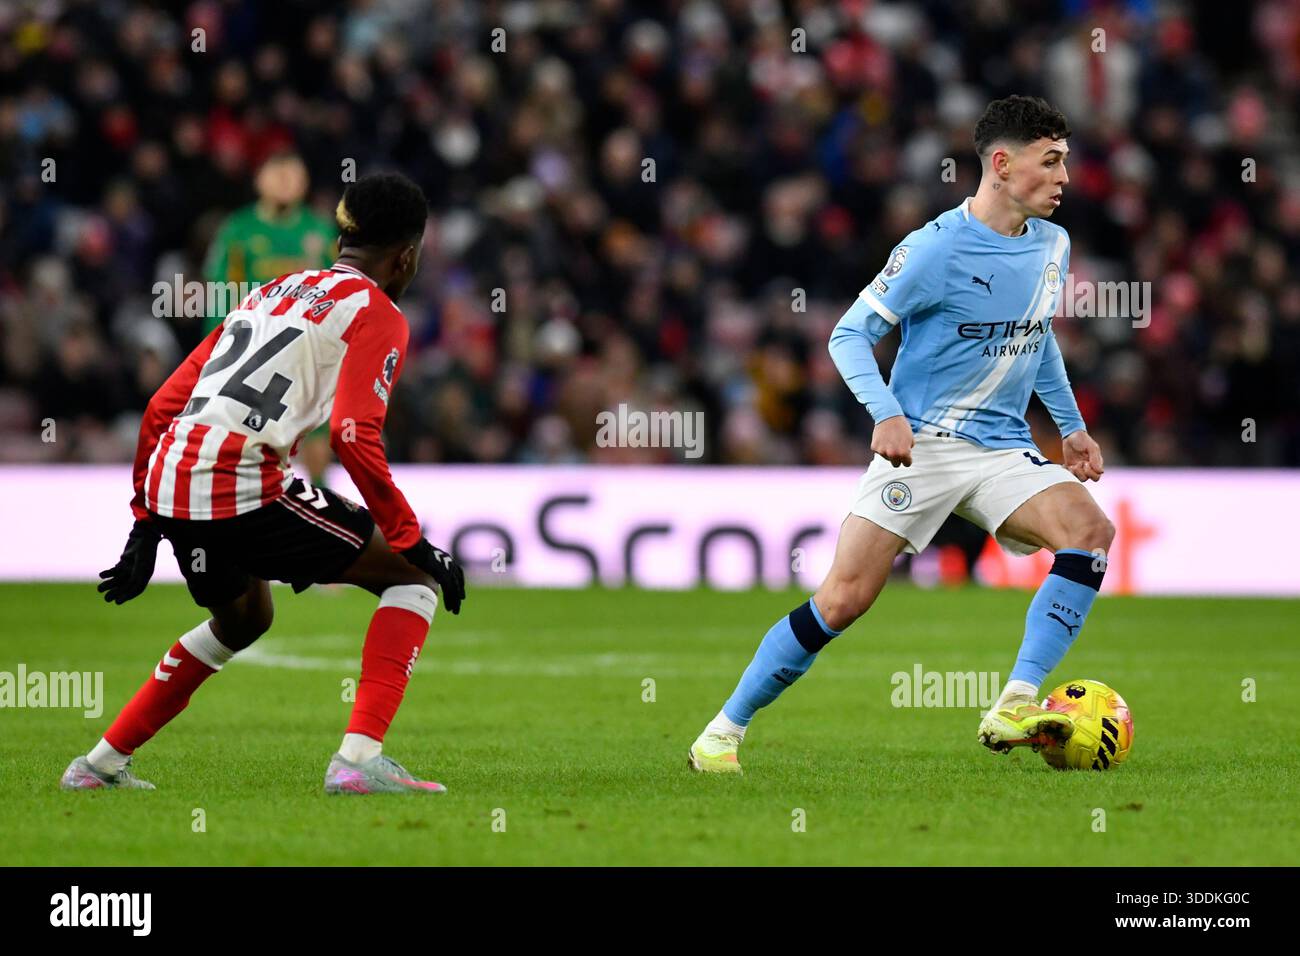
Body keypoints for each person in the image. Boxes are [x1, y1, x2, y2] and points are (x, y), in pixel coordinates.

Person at [688, 96, 1114, 774]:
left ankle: (1016, 700)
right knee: (843, 600)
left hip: (1003, 446)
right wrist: (885, 413)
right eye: (1051, 161)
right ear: (1002, 165)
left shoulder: (1053, 245)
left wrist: (1072, 428)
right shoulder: (934, 248)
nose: (1066, 177)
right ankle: (721, 733)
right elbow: (849, 333)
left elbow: (1038, 338)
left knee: (1090, 534)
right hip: (923, 443)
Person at [63, 172, 466, 795]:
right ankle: (357, 762)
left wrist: (146, 520)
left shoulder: (272, 291)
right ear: (407, 255)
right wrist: (410, 537)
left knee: (245, 617)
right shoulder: (378, 313)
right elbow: (354, 434)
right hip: (237, 483)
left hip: (174, 477)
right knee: (412, 578)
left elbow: (161, 407)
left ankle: (97, 767)